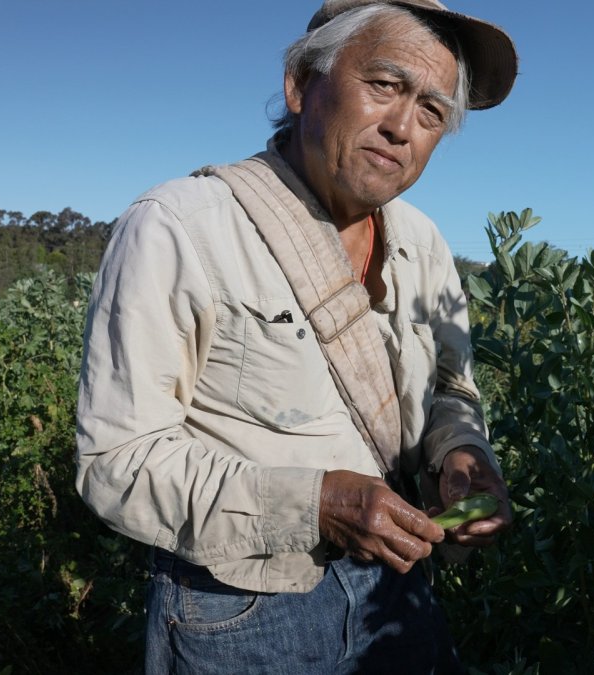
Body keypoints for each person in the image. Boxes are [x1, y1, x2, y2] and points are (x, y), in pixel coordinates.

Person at [75, 0, 517, 671]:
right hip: (239, 605)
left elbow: (452, 389)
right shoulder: (180, 227)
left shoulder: (423, 243)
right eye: (384, 86)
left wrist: (460, 449)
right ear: (302, 84)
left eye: (431, 111)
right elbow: (116, 462)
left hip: (397, 587)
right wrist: (315, 505)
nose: (402, 127)